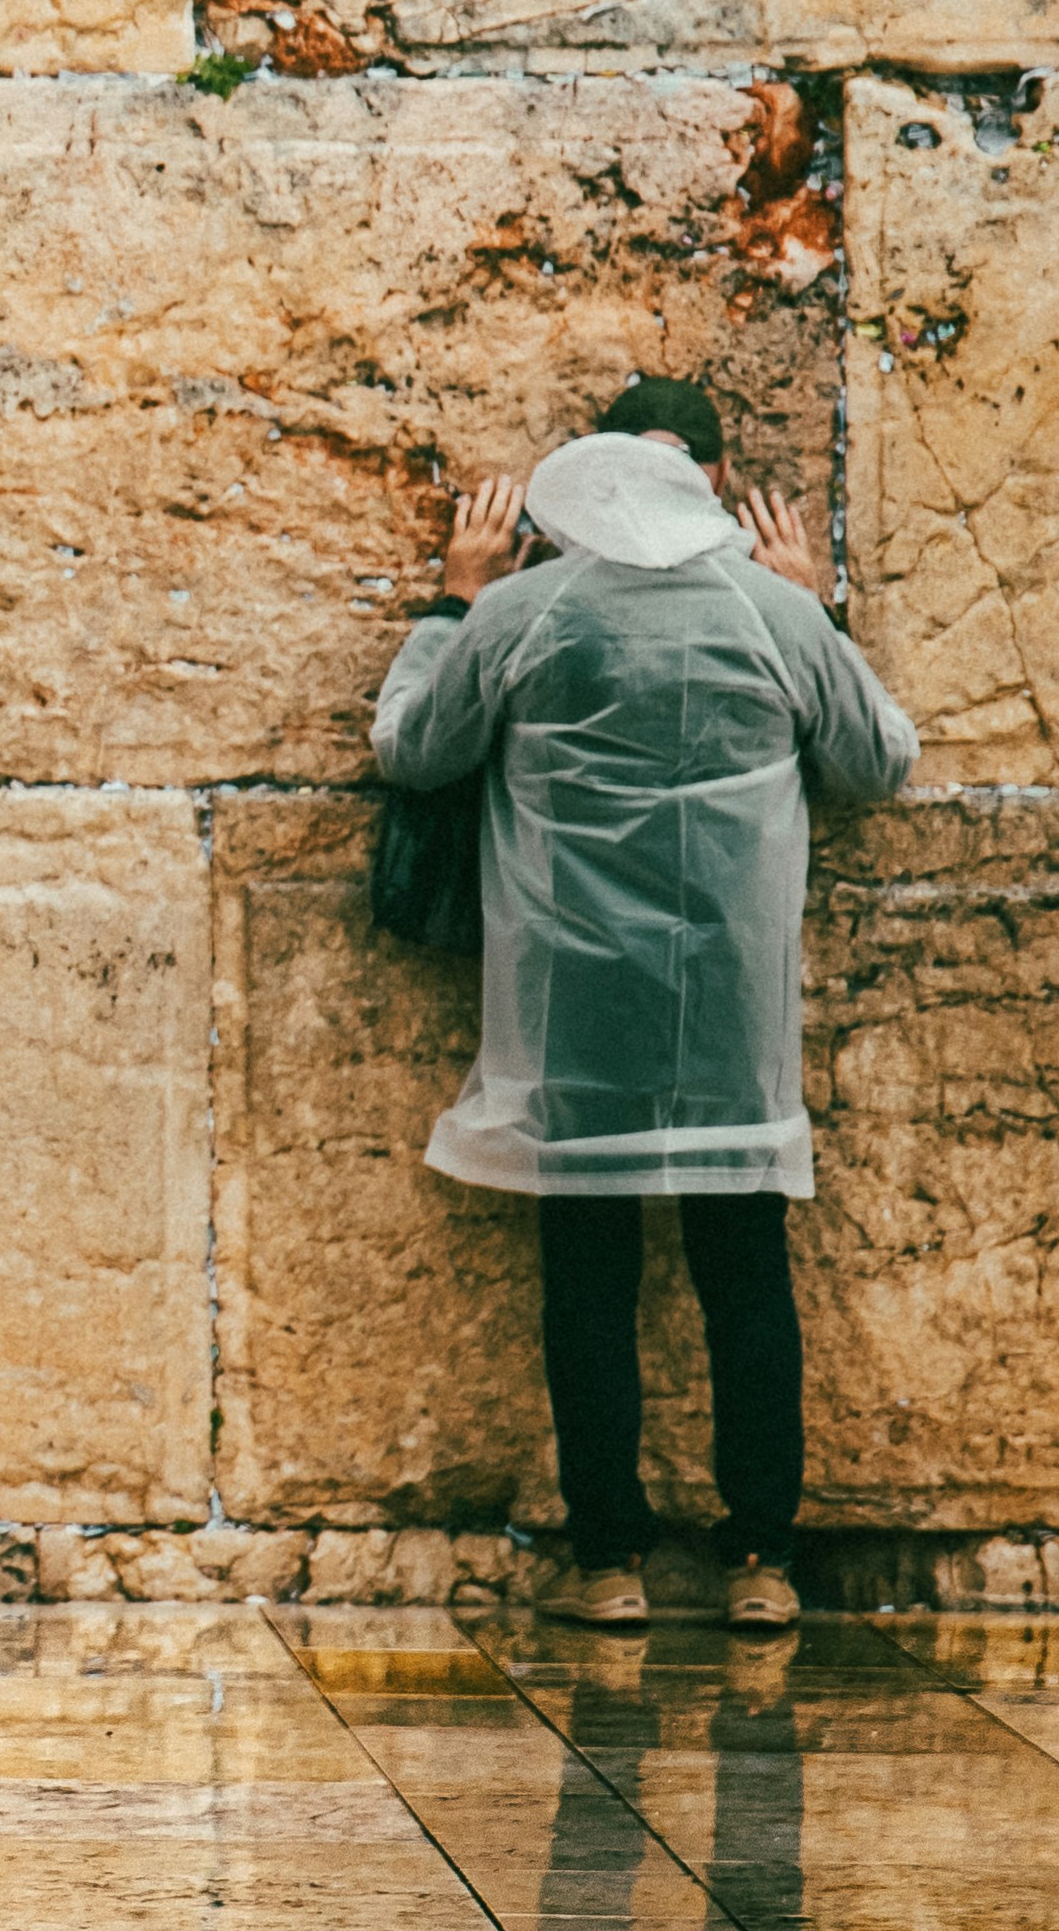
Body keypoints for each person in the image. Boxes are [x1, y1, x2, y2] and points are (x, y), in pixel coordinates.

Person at [373, 377, 916, 1638]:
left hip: (571, 1002)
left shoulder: (519, 609)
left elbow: (412, 746)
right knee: (742, 1273)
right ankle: (759, 1561)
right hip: (729, 1010)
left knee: (587, 1275)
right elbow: (877, 759)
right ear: (718, 487)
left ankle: (607, 1560)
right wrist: (817, 607)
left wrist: (449, 600)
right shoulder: (768, 611)